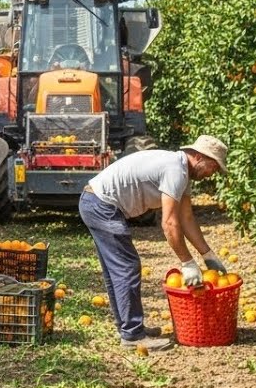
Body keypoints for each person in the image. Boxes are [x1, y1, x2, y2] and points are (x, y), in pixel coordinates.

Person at [78, 135, 229, 351]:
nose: (211, 174)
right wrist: (187, 262)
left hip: (98, 203)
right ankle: (132, 335)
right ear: (198, 157)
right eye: (212, 167)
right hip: (101, 205)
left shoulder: (182, 173)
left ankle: (128, 328)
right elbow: (169, 223)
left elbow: (186, 218)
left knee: (118, 270)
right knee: (126, 267)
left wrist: (207, 255)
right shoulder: (175, 170)